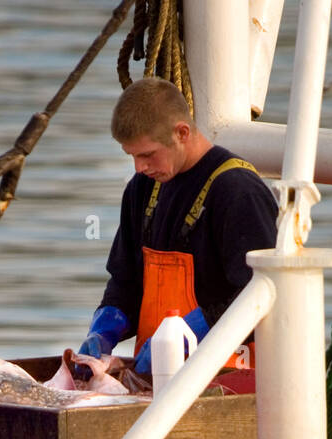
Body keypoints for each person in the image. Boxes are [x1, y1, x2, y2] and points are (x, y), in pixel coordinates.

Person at [78, 77, 278, 374]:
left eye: (147, 154)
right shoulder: (142, 188)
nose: (139, 167)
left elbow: (262, 295)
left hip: (230, 380)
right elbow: (126, 281)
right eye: (132, 156)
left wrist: (185, 336)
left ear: (182, 133)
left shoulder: (238, 192)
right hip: (154, 379)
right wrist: (106, 326)